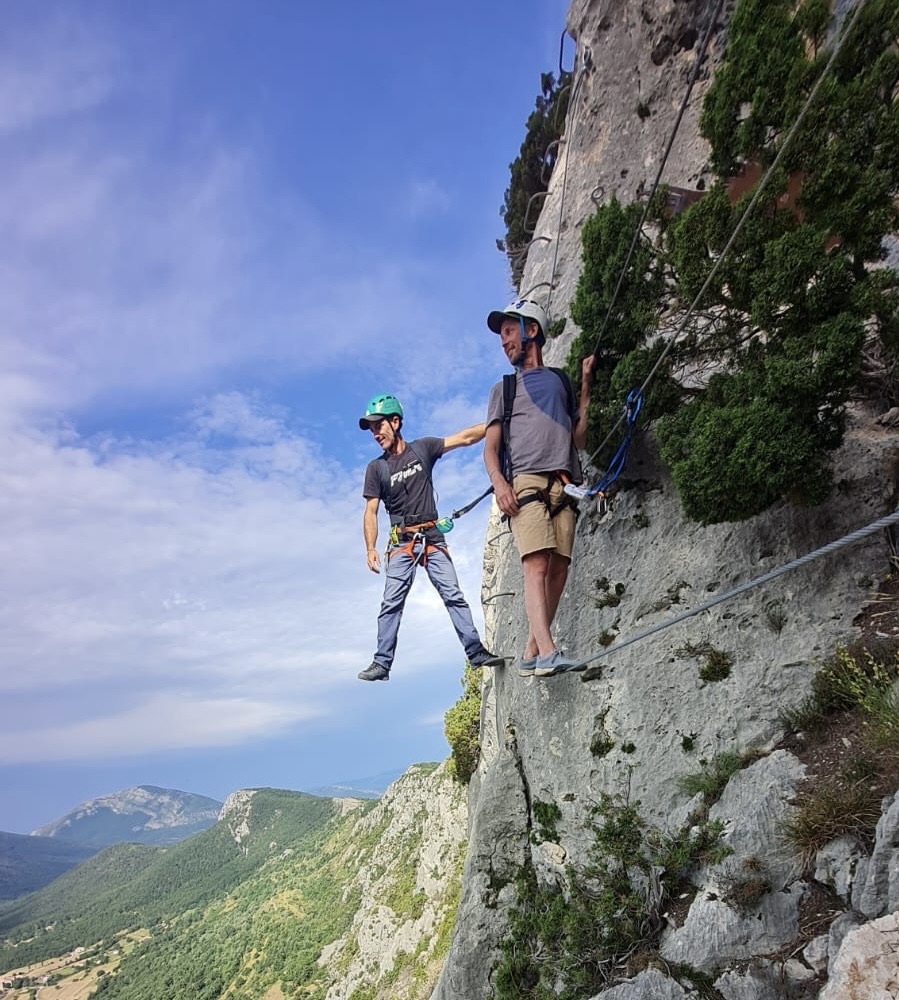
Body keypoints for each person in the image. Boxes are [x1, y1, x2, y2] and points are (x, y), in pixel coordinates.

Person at [483, 299, 595, 678]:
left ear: (532, 330)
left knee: (559, 569)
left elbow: (578, 440)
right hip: (526, 481)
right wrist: (500, 484)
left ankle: (532, 651)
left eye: (509, 331)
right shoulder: (505, 389)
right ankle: (547, 651)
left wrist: (584, 385)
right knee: (537, 563)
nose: (504, 341)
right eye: (502, 336)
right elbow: (490, 449)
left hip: (564, 482)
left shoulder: (560, 380)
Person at [358, 393, 504, 681]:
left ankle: (475, 652)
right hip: (401, 542)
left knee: (453, 595)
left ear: (395, 422)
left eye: (379, 426)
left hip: (432, 537)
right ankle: (382, 663)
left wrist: (499, 422)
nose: (375, 433)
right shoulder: (377, 469)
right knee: (391, 603)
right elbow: (370, 511)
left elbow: (464, 438)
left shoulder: (423, 449)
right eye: (372, 429)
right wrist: (370, 549)